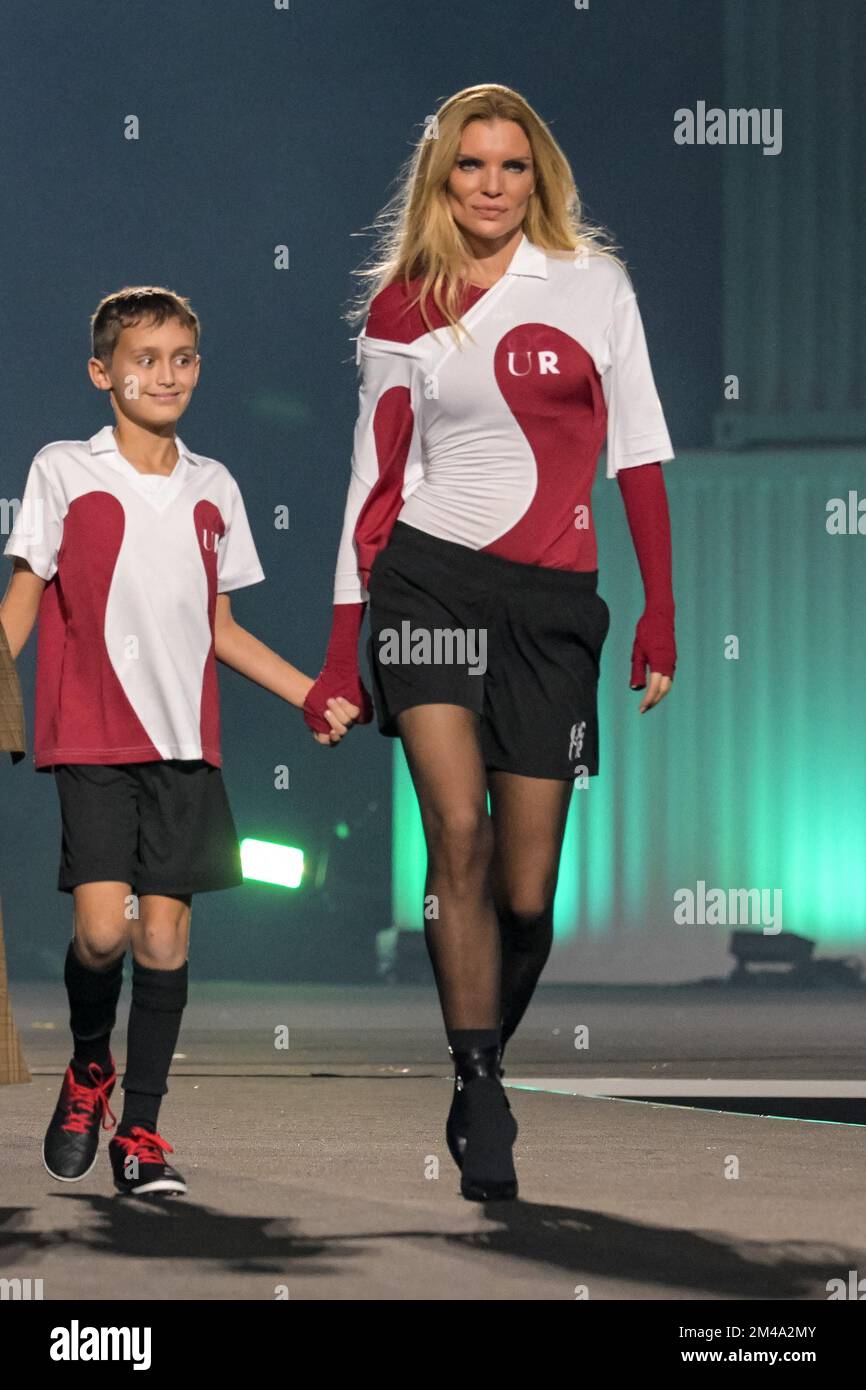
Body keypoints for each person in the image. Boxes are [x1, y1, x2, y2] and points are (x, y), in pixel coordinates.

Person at [303, 85, 677, 1202]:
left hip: (554, 603)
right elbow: (371, 482)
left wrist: (659, 608)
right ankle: (477, 1083)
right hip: (426, 580)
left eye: (511, 166)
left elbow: (641, 453)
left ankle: (483, 1060)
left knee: (525, 891)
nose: (489, 184)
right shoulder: (400, 308)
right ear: (441, 176)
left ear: (537, 177)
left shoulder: (593, 287)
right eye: (470, 165)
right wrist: (336, 650)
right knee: (452, 836)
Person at [0, 286, 360, 1198]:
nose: (166, 374)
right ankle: (90, 1068)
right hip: (89, 738)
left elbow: (221, 628)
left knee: (163, 941)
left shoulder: (215, 487)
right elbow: (23, 602)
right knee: (100, 933)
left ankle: (144, 1133)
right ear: (102, 372)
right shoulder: (61, 471)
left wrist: (308, 693)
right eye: (145, 358)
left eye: (182, 358)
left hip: (185, 749)